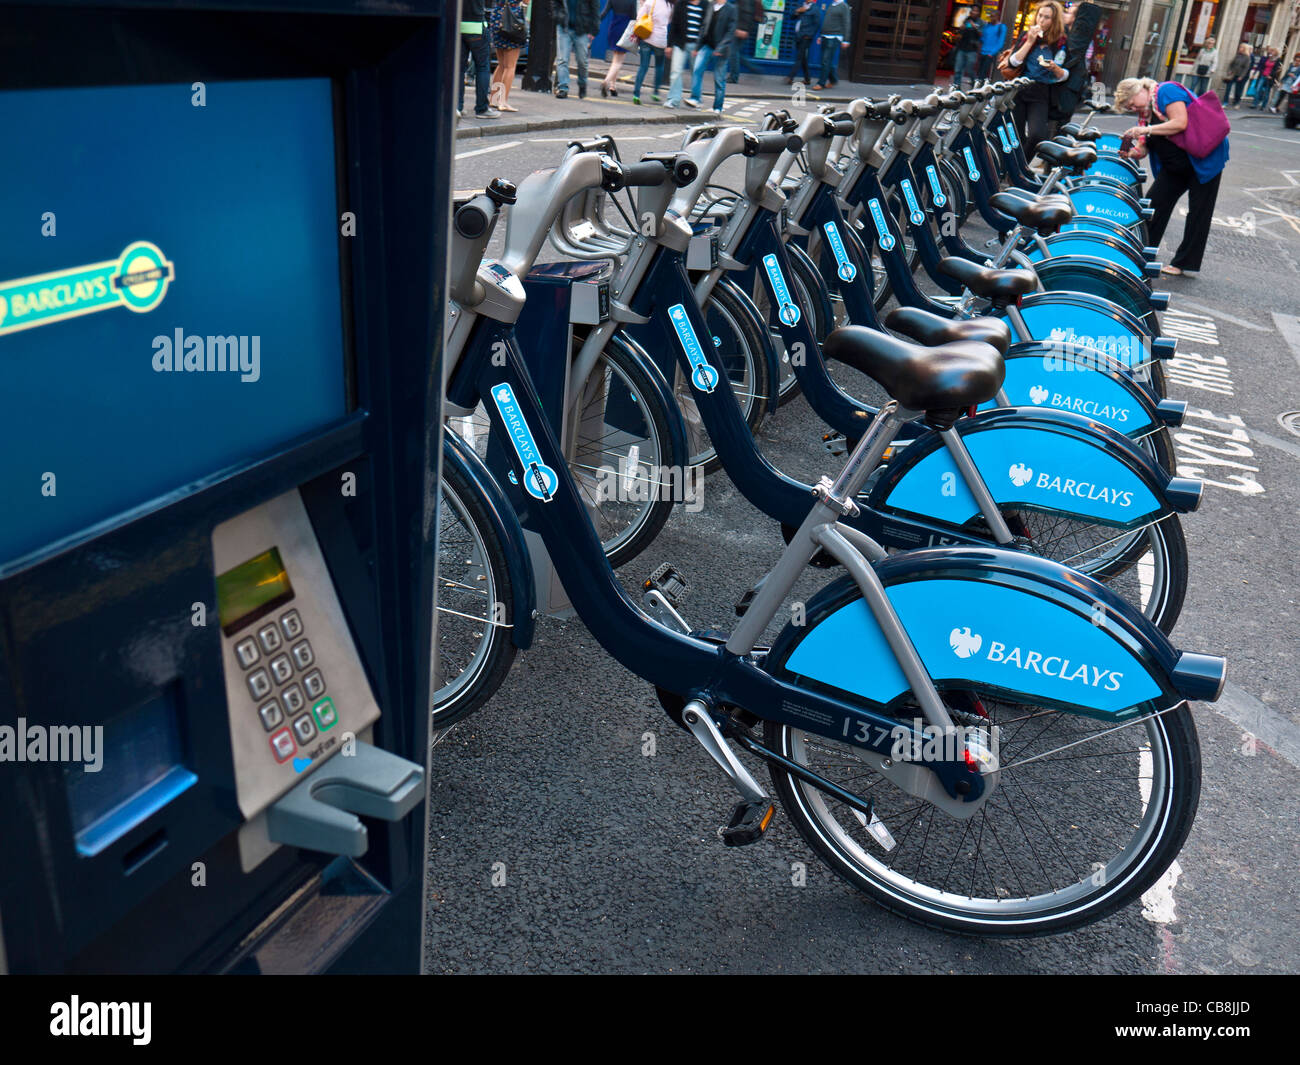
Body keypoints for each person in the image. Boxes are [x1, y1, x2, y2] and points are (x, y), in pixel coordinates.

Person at [1115, 76, 1229, 277]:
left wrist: (1146, 129)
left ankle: (1184, 263)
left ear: (1139, 91)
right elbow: (1145, 146)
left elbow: (1180, 123)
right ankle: (1142, 254)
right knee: (1153, 205)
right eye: (1128, 107)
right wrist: (1134, 152)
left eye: (1132, 103)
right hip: (1176, 166)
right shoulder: (1147, 113)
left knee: (1199, 211)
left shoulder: (1166, 91)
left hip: (1203, 159)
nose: (1133, 109)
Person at [1006, 1, 1067, 151]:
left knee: (1038, 135)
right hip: (1020, 89)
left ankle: (1022, 167)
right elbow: (1013, 62)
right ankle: (1013, 171)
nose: (1041, 20)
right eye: (1040, 15)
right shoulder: (1028, 35)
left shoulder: (1060, 42)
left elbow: (1064, 75)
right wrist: (1029, 42)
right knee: (1016, 137)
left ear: (1054, 21)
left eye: (1047, 17)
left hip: (1041, 92)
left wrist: (1054, 67)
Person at [688, 0, 735, 112]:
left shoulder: (731, 9)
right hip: (707, 46)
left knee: (719, 79)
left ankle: (717, 107)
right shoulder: (711, 6)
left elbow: (730, 32)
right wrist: (697, 47)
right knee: (697, 70)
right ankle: (695, 98)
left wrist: (720, 48)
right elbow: (704, 27)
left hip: (721, 50)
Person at [665, 0, 711, 107]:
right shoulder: (681, 4)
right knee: (676, 71)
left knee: (696, 73)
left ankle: (696, 99)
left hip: (697, 47)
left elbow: (707, 27)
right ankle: (673, 100)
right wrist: (669, 45)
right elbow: (674, 25)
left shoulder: (705, 5)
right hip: (680, 44)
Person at [460, 0, 501, 119]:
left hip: (458, 25)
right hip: (477, 25)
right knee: (482, 67)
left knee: (458, 69)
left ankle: (457, 107)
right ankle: (482, 108)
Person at [553, 0, 601, 99]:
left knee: (582, 61)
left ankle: (582, 84)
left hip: (582, 29)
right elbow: (555, 3)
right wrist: (558, 16)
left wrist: (594, 30)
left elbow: (595, 9)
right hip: (564, 27)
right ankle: (563, 87)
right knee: (562, 60)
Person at [489, 0, 528, 113]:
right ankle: (503, 102)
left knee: (501, 65)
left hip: (497, 17)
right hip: (511, 19)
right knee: (510, 66)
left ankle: (494, 99)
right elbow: (526, 2)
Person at [632, 0, 672, 103]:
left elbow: (639, 17)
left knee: (643, 66)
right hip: (660, 40)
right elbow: (669, 21)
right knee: (659, 67)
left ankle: (636, 94)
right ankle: (655, 93)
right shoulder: (670, 5)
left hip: (646, 37)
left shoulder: (650, 2)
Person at [601, 0, 637, 96]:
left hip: (613, 28)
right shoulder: (632, 1)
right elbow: (634, 18)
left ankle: (613, 86)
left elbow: (604, 13)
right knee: (618, 62)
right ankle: (606, 81)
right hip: (624, 31)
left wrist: (594, 25)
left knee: (615, 58)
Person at [812, 0, 849, 90]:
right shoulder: (831, 5)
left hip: (834, 37)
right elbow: (826, 21)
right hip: (825, 36)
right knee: (826, 60)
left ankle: (821, 83)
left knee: (825, 60)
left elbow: (847, 23)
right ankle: (833, 79)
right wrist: (821, 35)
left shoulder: (844, 6)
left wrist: (846, 40)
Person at [730, 0, 765, 83]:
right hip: (740, 27)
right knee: (736, 53)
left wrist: (743, 29)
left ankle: (734, 77)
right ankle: (754, 69)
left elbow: (747, 12)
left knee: (733, 52)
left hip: (741, 29)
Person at [951, 7, 983, 91]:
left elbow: (981, 35)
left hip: (972, 50)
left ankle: (974, 86)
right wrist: (961, 29)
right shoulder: (966, 20)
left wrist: (975, 27)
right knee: (958, 69)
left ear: (979, 13)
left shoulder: (981, 22)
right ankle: (956, 88)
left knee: (970, 69)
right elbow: (959, 36)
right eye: (973, 10)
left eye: (976, 11)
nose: (974, 12)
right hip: (962, 47)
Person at [978, 7, 1007, 83]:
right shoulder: (987, 26)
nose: (991, 18)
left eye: (993, 16)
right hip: (983, 52)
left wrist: (991, 53)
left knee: (985, 74)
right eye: (990, 16)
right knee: (980, 73)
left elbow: (1000, 43)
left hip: (991, 54)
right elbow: (983, 38)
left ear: (997, 16)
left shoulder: (1001, 27)